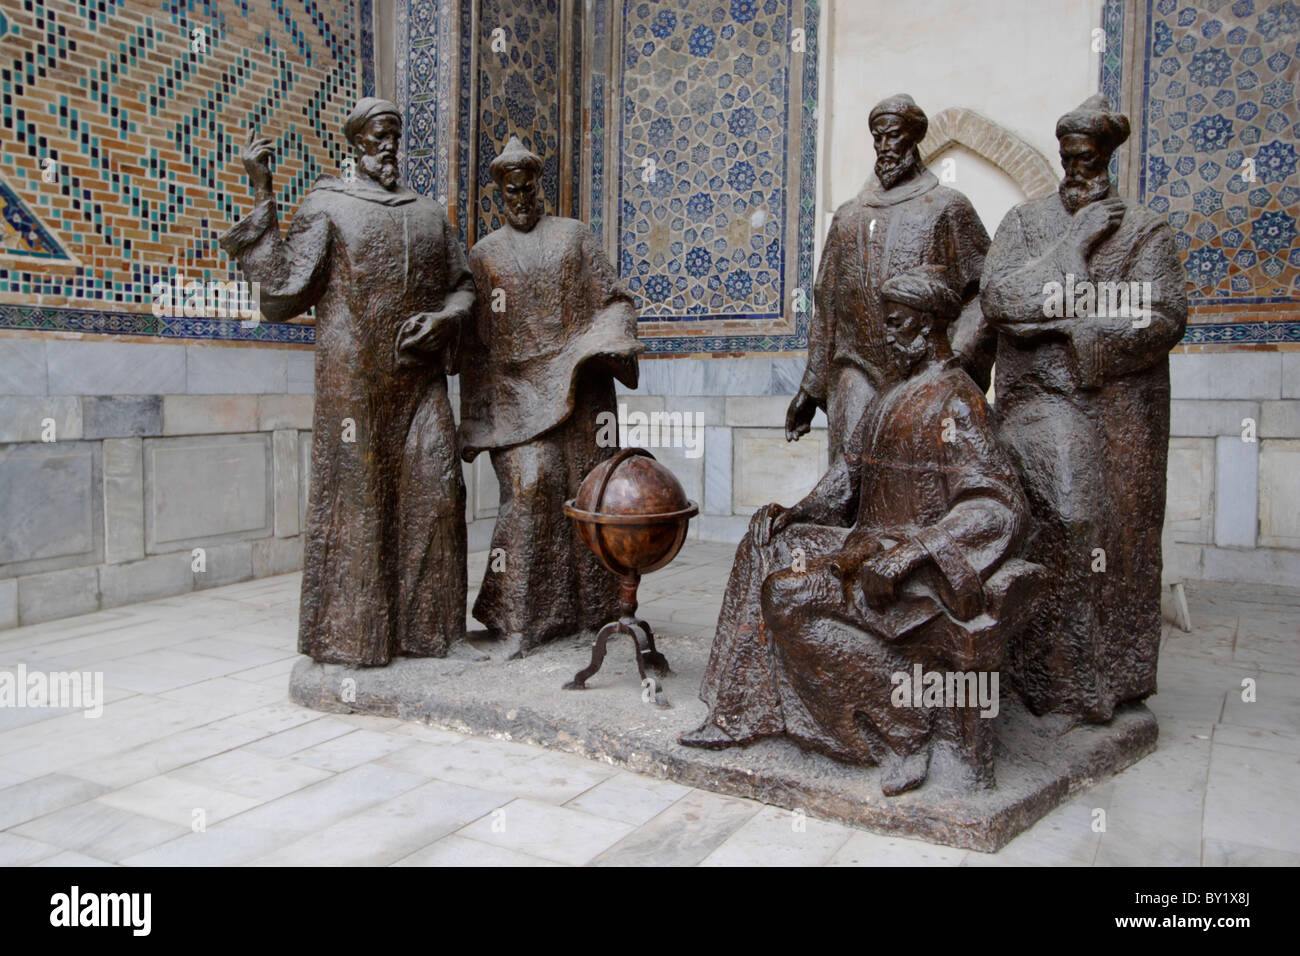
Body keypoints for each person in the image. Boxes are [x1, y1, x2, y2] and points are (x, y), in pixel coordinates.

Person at [682, 267, 1032, 795]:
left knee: (786, 594)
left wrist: (915, 551)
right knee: (766, 544)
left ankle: (906, 725)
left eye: (896, 324)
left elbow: (996, 506)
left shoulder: (957, 400)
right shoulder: (894, 394)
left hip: (917, 570)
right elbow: (849, 477)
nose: (888, 337)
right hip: (867, 546)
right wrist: (797, 512)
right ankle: (743, 712)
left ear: (929, 325)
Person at [221, 97, 475, 666]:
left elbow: (464, 286)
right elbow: (283, 293)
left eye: (395, 135)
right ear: (356, 143)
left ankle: (435, 633)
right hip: (354, 380)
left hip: (421, 380)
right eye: (378, 136)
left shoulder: (430, 214)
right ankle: (355, 639)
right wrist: (264, 195)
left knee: (438, 490)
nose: (388, 146)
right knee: (362, 504)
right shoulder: (327, 205)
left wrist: (447, 318)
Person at [981, 95, 1188, 721]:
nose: (1076, 169)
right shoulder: (1024, 222)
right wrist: (1073, 247)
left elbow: (1161, 315)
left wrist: (1070, 326)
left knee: (1113, 541)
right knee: (1055, 521)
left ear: (1106, 157)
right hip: (1035, 405)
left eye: (1087, 158)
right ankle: (1036, 679)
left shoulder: (1145, 230)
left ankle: (1108, 681)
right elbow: (999, 298)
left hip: (1120, 412)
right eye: (1068, 158)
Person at [460, 136, 644, 657]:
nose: (521, 200)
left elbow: (615, 302)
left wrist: (599, 343)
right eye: (511, 192)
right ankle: (517, 617)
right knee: (532, 485)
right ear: (499, 194)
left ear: (540, 186)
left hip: (582, 396)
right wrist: (478, 422)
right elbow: (474, 350)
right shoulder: (484, 256)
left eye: (529, 189)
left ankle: (598, 611)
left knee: (592, 492)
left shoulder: (574, 238)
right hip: (517, 403)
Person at [786, 94, 992, 459]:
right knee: (848, 470)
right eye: (877, 138)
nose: (884, 147)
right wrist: (813, 384)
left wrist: (959, 355)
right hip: (857, 370)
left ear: (913, 138)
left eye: (893, 136)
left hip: (922, 370)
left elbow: (984, 291)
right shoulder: (849, 217)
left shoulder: (948, 207)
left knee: (917, 481)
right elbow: (827, 303)